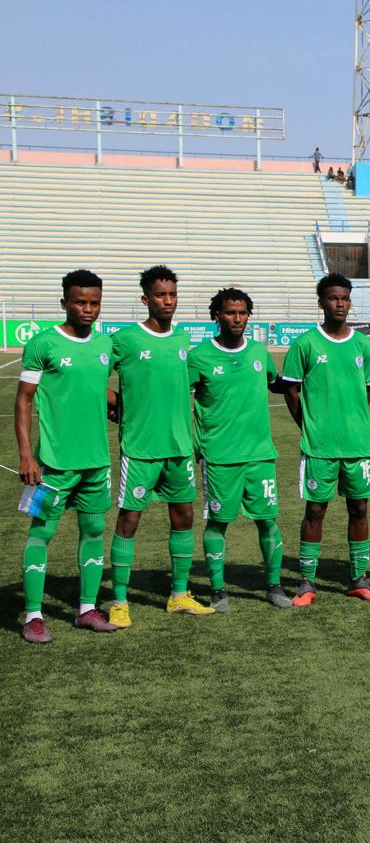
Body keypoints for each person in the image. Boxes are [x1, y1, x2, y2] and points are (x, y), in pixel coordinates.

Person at [14, 270, 119, 642]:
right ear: (64, 303)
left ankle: (87, 609)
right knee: (41, 533)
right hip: (52, 465)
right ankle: (32, 615)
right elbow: (24, 401)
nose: (87, 309)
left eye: (94, 302)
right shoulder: (44, 344)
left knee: (93, 531)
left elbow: (93, 385)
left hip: (96, 462)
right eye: (80, 302)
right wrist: (27, 456)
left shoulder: (105, 344)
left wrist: (115, 402)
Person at [108, 265, 209, 626]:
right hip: (140, 448)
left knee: (183, 518)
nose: (168, 301)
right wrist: (116, 405)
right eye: (160, 295)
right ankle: (119, 600)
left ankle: (179, 594)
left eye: (172, 294)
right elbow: (95, 375)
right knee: (129, 521)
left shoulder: (183, 340)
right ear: (145, 298)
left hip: (180, 448)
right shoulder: (124, 339)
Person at [188, 288, 293, 611]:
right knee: (218, 522)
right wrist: (196, 446)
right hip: (219, 456)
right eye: (230, 312)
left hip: (260, 455)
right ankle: (218, 590)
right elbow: (182, 403)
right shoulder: (199, 357)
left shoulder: (260, 353)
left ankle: (274, 585)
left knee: (268, 521)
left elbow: (280, 383)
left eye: (243, 312)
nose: (237, 318)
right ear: (216, 316)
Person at [281, 273, 370, 605]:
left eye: (345, 298)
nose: (340, 304)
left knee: (360, 509)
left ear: (350, 302)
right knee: (315, 511)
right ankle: (307, 582)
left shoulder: (364, 346)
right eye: (333, 298)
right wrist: (307, 426)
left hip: (357, 446)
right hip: (320, 447)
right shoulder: (305, 344)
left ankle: (358, 579)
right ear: (321, 302)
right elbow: (291, 390)